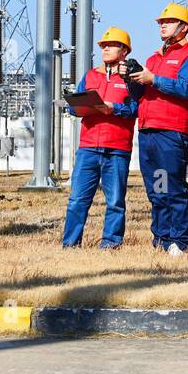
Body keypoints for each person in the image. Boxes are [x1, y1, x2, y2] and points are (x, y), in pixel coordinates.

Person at [129, 4, 188, 256]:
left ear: (183, 28)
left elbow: (186, 88)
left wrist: (154, 79)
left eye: (169, 22)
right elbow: (141, 94)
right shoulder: (153, 58)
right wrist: (132, 79)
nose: (162, 25)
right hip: (149, 131)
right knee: (157, 189)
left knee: (173, 187)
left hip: (171, 132)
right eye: (161, 22)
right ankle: (161, 238)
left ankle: (180, 241)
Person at [61, 27, 143, 249]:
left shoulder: (132, 81)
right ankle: (70, 244)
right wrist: (76, 108)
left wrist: (113, 108)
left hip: (116, 149)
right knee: (77, 200)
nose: (105, 48)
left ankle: (110, 244)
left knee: (115, 201)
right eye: (103, 46)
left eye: (111, 45)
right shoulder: (90, 76)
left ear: (124, 51)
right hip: (88, 147)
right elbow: (73, 106)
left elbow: (137, 108)